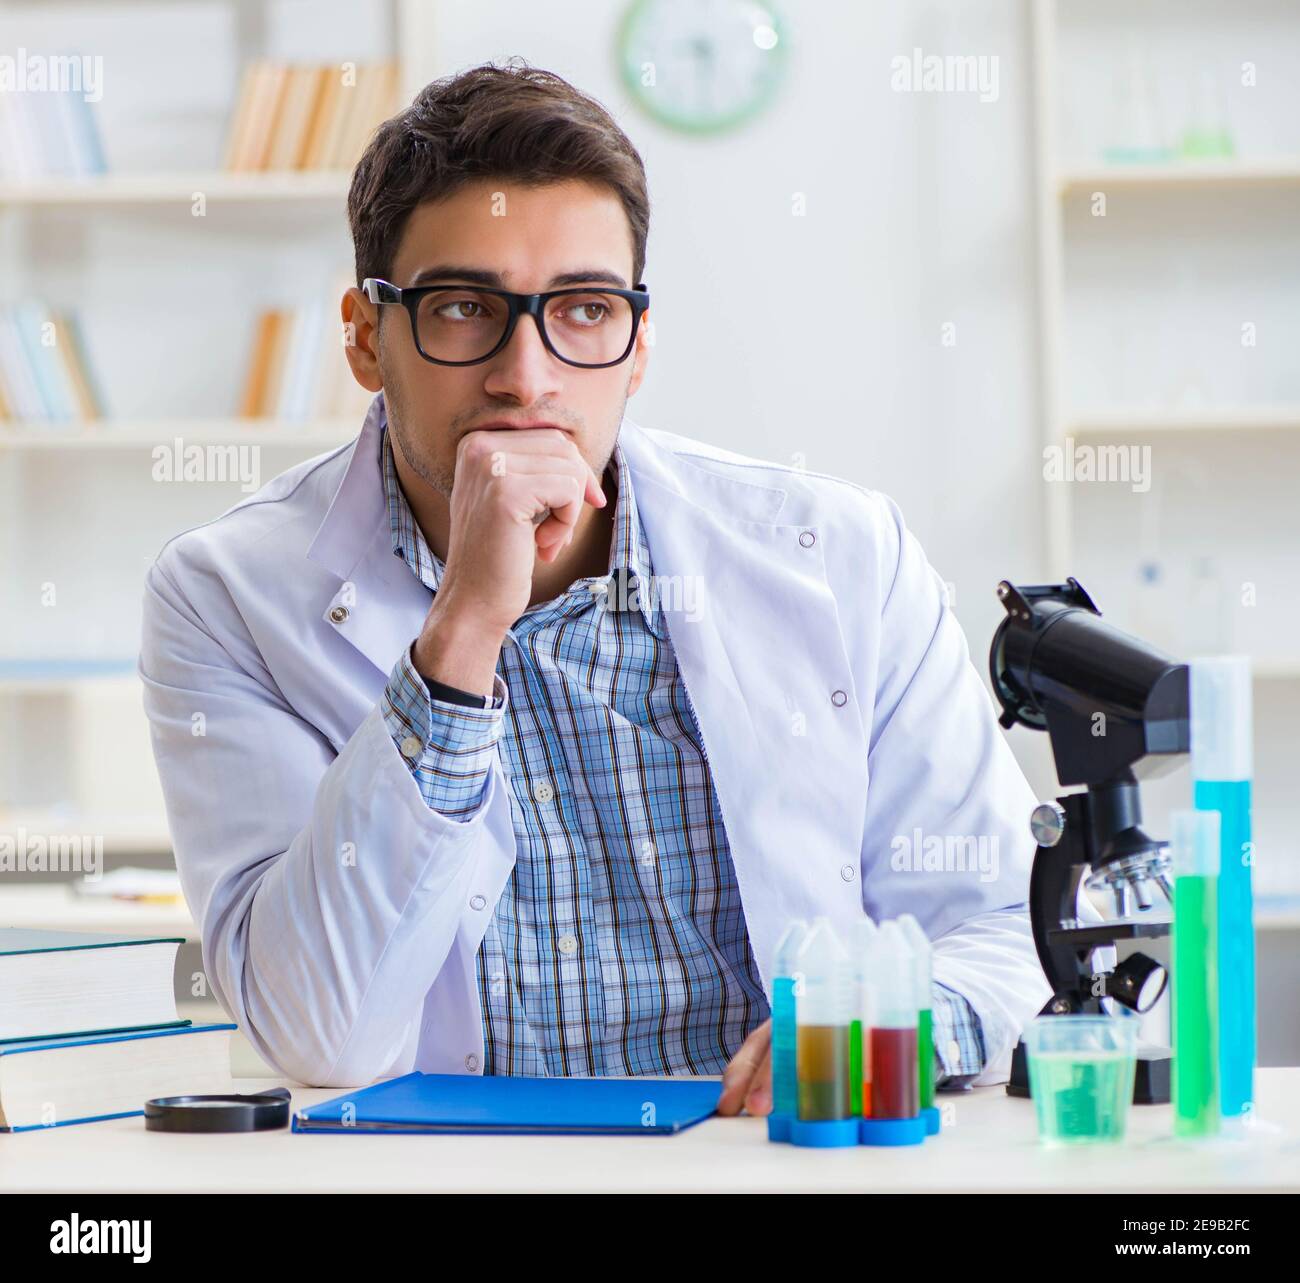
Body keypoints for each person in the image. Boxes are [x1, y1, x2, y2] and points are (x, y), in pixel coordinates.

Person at [139, 60, 1050, 1110]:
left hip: (768, 1167)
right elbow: (319, 1029)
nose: (524, 374)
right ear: (363, 335)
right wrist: (463, 630)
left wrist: (897, 1026)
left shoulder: (840, 552)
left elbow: (998, 927)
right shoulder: (225, 595)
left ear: (639, 342)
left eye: (580, 310)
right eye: (463, 306)